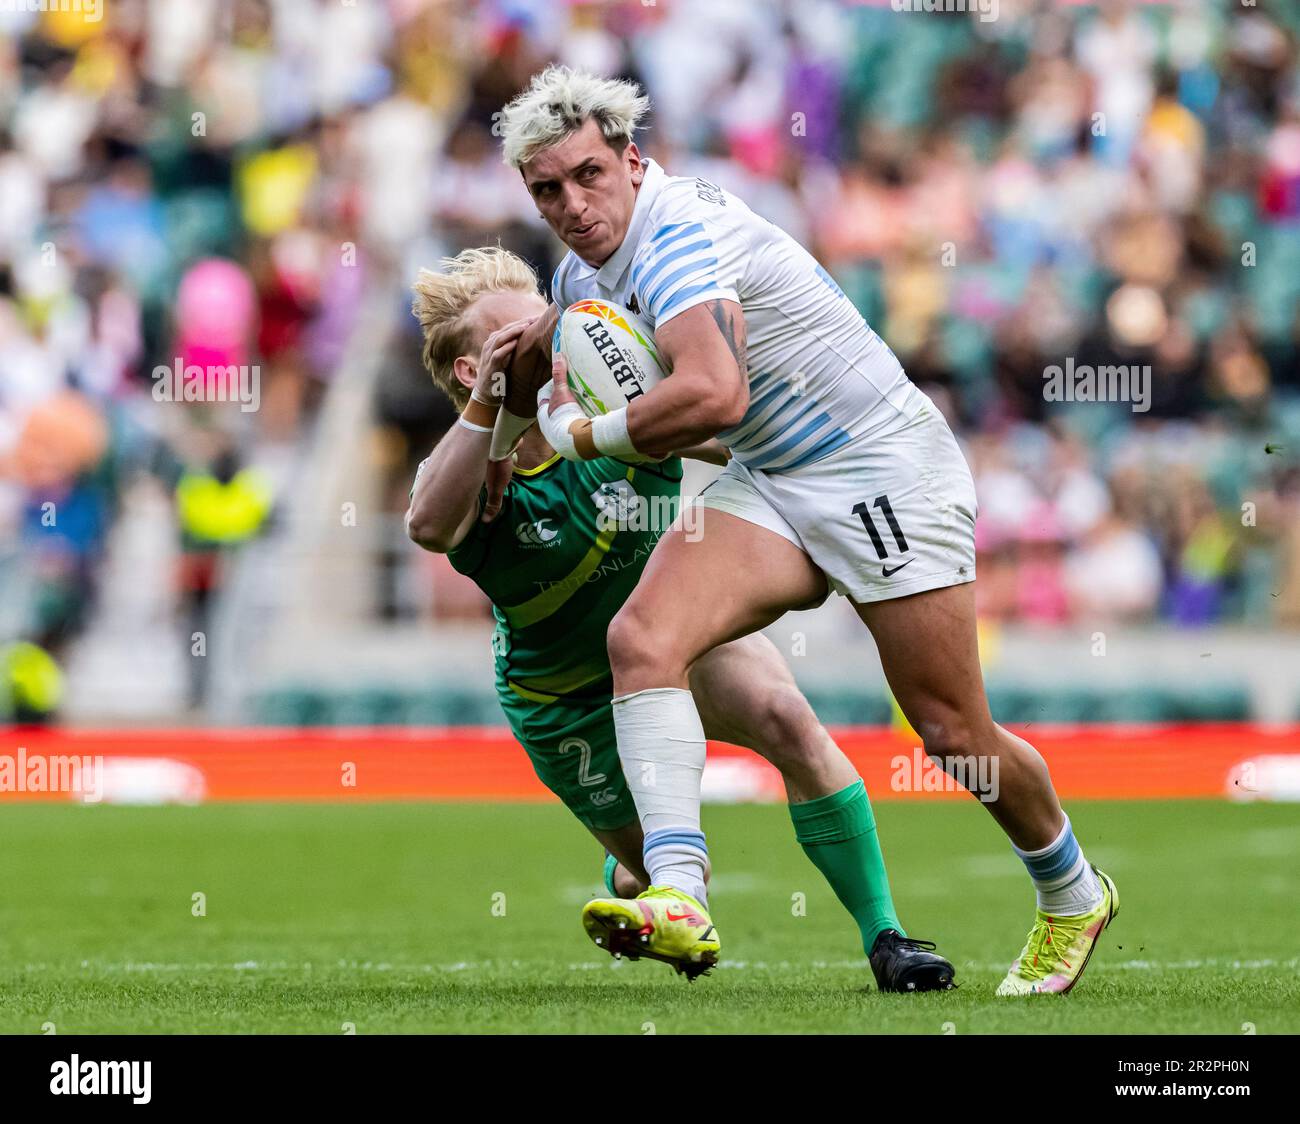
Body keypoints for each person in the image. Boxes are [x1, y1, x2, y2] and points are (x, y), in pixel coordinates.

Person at [494, 66, 1118, 996]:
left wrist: (581, 433)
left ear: (632, 159)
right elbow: (687, 405)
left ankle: (1072, 891)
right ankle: (679, 893)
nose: (573, 203)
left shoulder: (677, 241)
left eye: (588, 174)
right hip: (777, 475)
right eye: (548, 189)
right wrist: (513, 394)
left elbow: (713, 392)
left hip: (882, 466)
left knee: (950, 730)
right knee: (642, 637)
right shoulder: (583, 271)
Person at [405, 246, 954, 990]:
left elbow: (740, 432)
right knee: (646, 875)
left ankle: (887, 938)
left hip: (672, 635)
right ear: (474, 369)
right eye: (517, 339)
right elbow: (429, 526)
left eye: (547, 324)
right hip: (565, 700)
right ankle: (634, 878)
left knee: (788, 721)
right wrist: (488, 417)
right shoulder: (471, 472)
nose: (545, 343)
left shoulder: (609, 404)